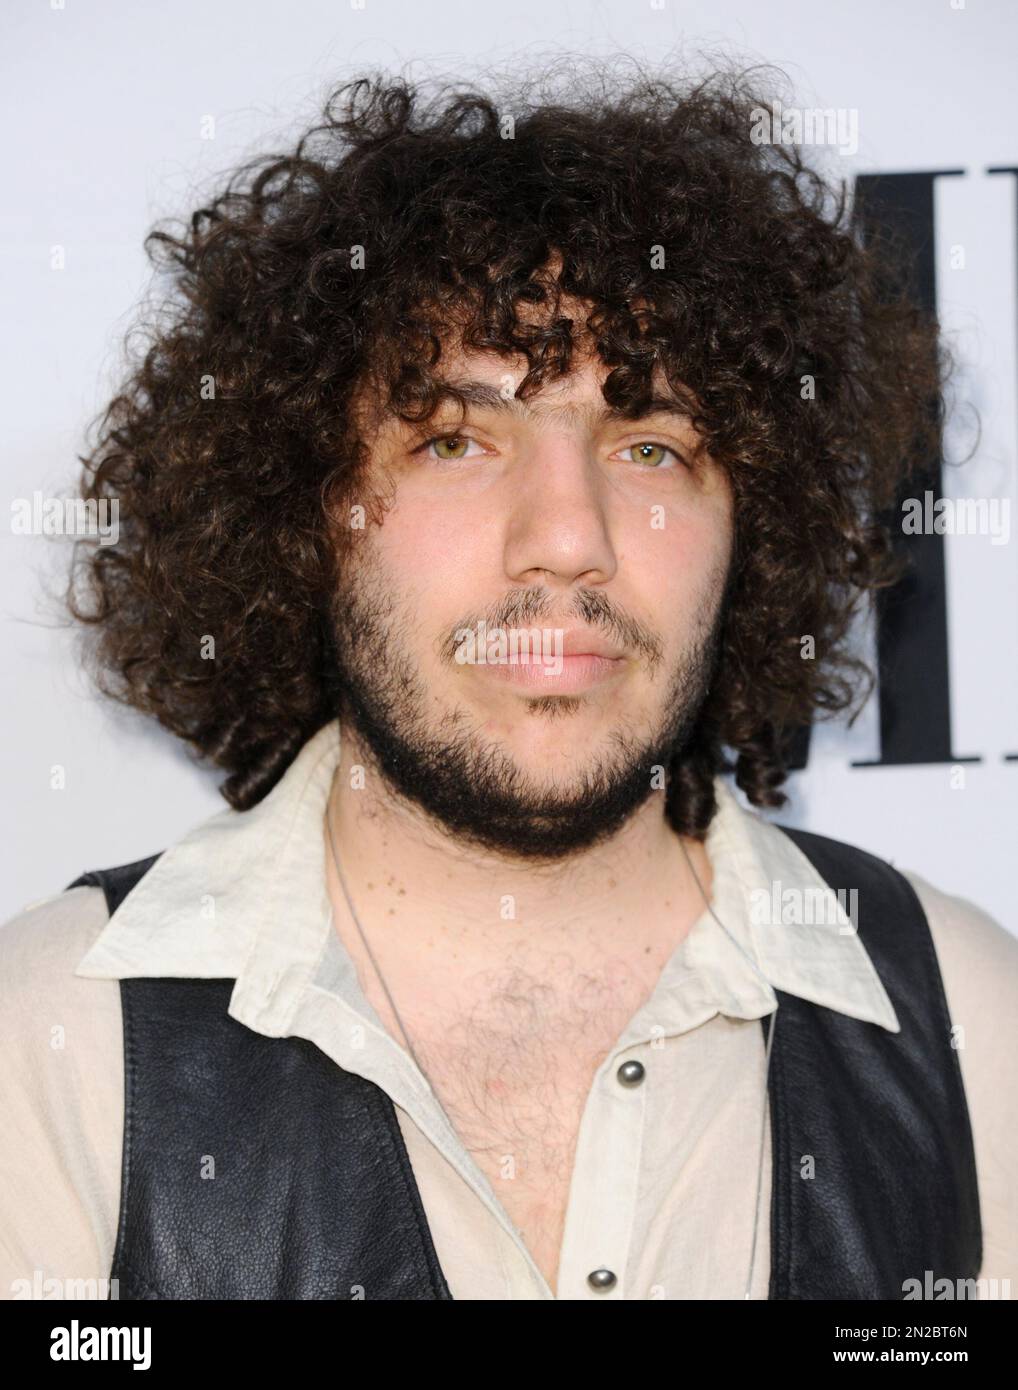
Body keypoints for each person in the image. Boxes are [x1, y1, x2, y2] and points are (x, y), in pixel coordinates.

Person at [2, 62, 1016, 1302]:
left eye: (650, 444)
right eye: (453, 440)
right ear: (307, 514)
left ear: (753, 522)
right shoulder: (49, 1042)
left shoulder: (965, 1018)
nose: (567, 531)